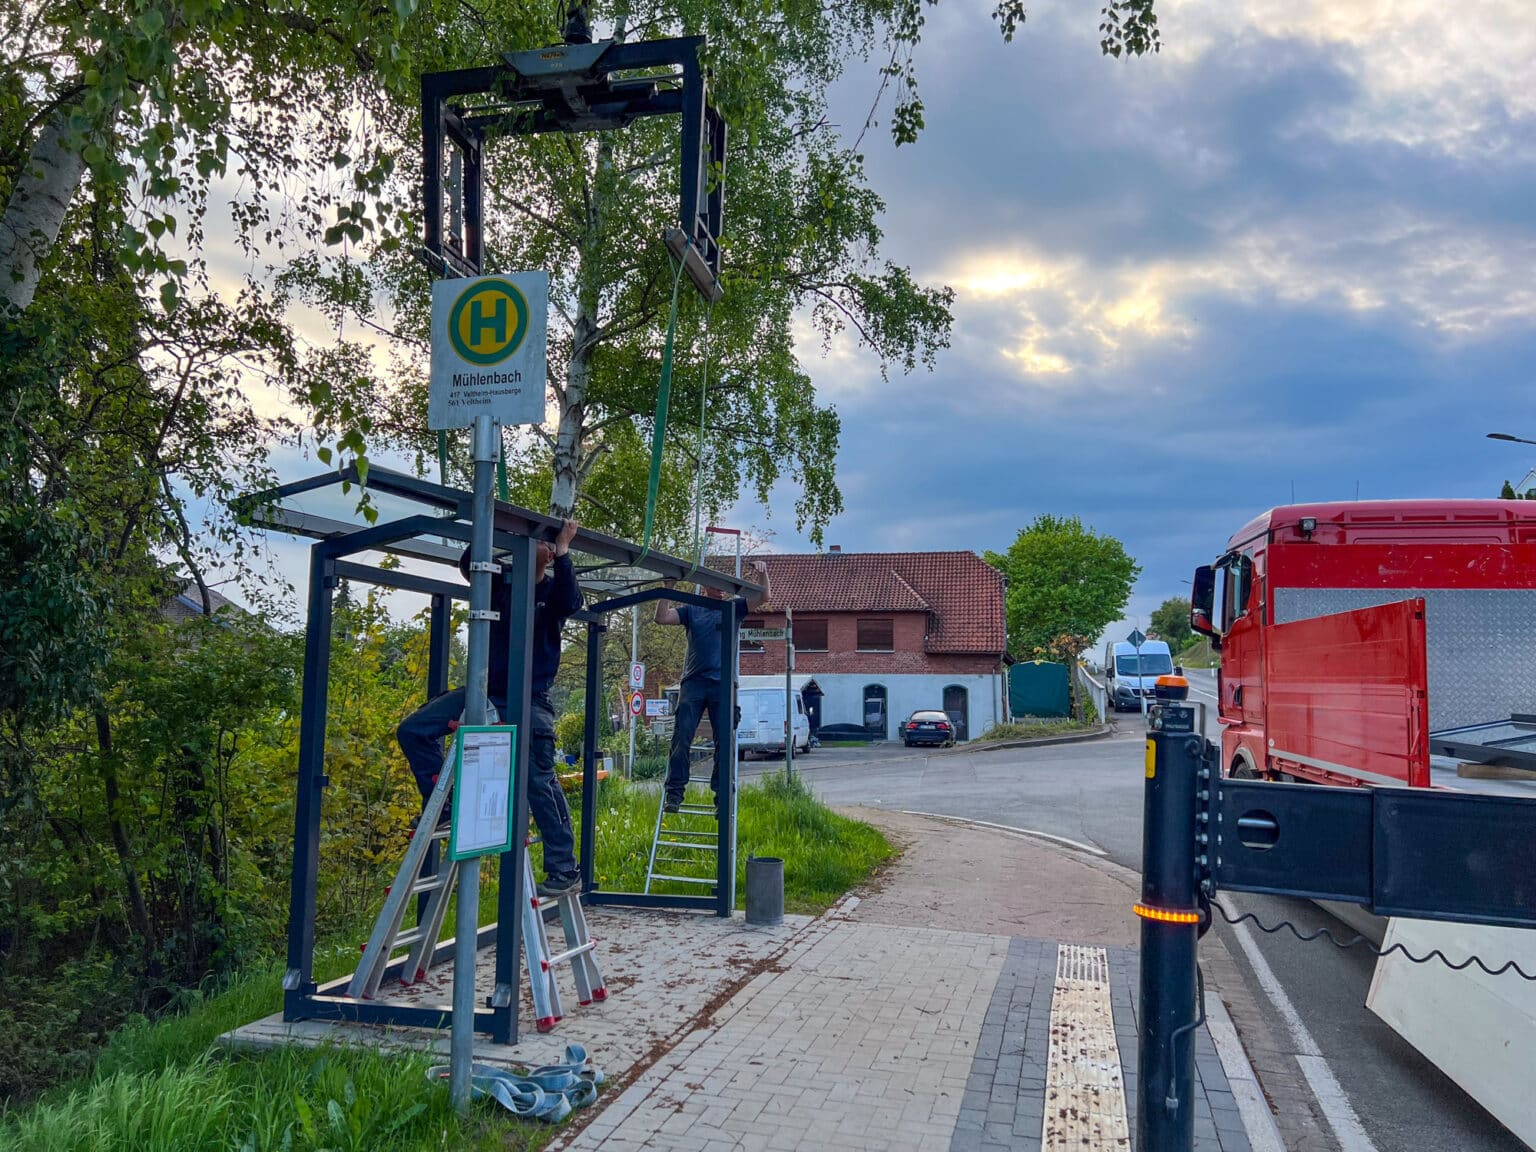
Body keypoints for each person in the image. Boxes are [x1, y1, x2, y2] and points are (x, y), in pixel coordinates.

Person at [395, 518, 584, 896]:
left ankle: (564, 867)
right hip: (485, 692)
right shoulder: (501, 583)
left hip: (529, 698)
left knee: (538, 779)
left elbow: (571, 601)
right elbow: (470, 562)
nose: (531, 547)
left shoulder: (552, 592)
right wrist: (494, 526)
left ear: (548, 554)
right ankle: (444, 807)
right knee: (413, 729)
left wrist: (563, 551)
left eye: (539, 544)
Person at [654, 560, 770, 813]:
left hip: (723, 684)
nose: (719, 589)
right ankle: (674, 794)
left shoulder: (733, 608)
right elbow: (661, 617)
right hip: (694, 683)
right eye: (714, 584)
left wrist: (763, 573)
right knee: (681, 737)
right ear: (705, 586)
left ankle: (722, 797)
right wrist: (668, 587)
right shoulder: (692, 610)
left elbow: (763, 597)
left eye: (723, 586)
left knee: (724, 741)